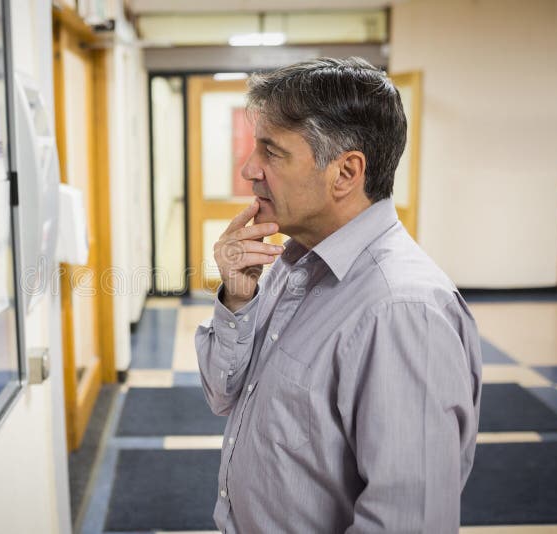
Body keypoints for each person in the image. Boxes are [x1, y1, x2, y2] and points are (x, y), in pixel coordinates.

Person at [195, 57, 482, 533]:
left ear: (346, 173)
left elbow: (408, 522)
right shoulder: (296, 263)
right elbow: (223, 394)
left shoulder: (402, 313)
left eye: (271, 152)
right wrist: (238, 300)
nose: (249, 169)